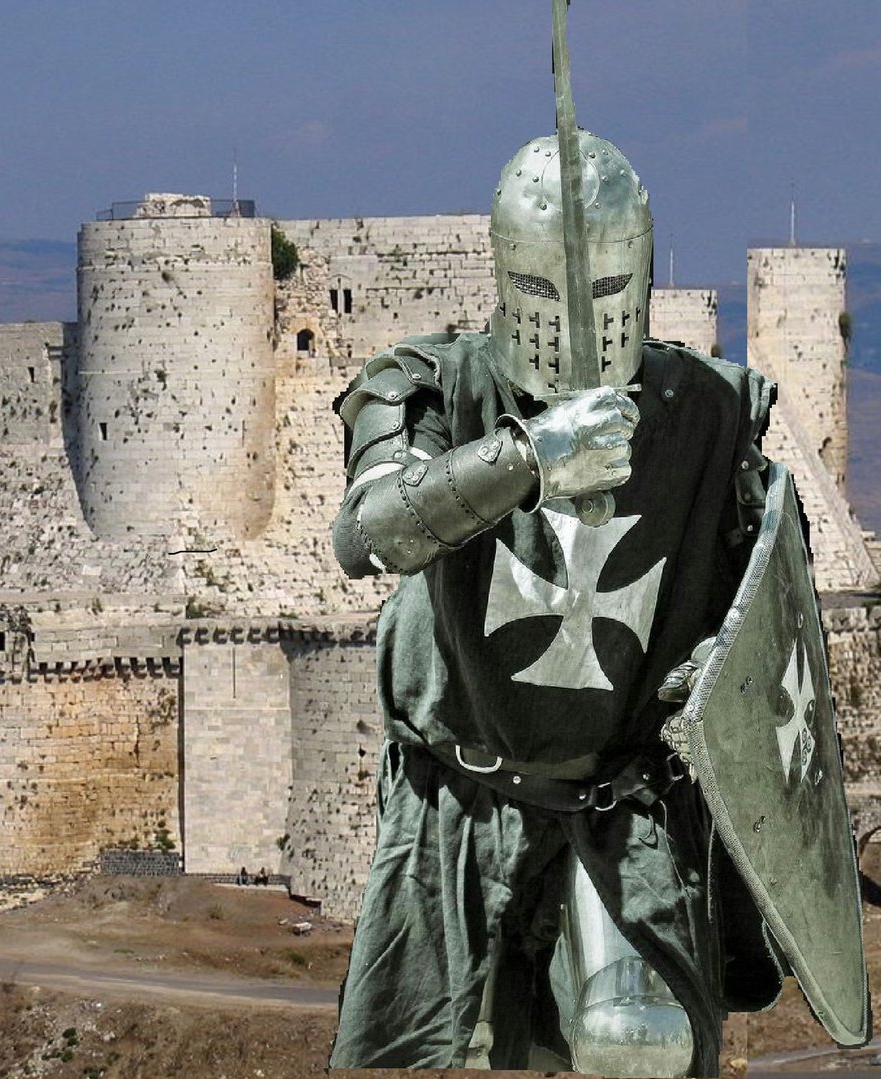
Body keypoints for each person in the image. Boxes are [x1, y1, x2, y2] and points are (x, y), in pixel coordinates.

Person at [323, 130, 787, 1076]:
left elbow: (767, 616)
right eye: (545, 286)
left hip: (624, 811)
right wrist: (528, 457)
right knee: (424, 1057)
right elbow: (370, 532)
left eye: (605, 287)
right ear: (506, 273)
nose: (577, 318)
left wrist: (719, 668)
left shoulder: (710, 411)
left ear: (643, 273)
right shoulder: (431, 385)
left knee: (638, 1043)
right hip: (459, 810)